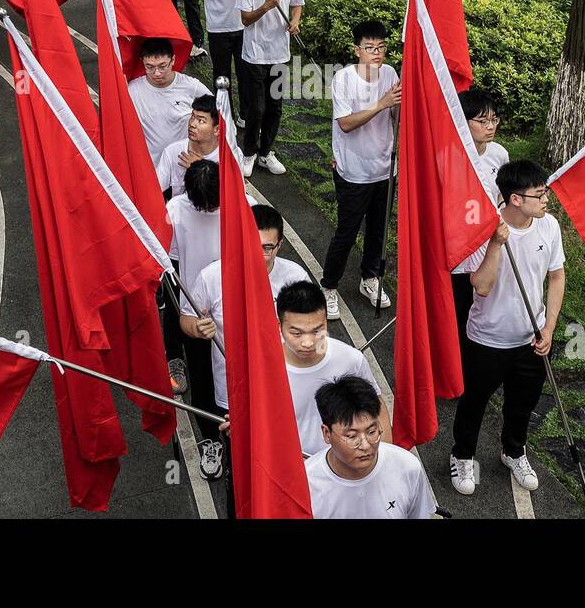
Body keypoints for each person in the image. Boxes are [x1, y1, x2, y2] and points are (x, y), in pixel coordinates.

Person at [449, 160, 564, 497]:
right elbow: (480, 287)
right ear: (515, 199)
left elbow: (556, 276)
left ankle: (514, 451)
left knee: (522, 404)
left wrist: (550, 327)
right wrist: (496, 245)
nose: (546, 200)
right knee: (474, 402)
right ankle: (462, 454)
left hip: (531, 340)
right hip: (487, 339)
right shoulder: (485, 227)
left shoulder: (549, 226)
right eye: (539, 194)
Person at [179, 204, 309, 480]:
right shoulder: (212, 277)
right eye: (252, 243)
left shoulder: (296, 277)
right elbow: (186, 320)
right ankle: (215, 445)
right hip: (231, 386)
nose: (258, 254)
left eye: (267, 247)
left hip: (283, 383)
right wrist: (198, 329)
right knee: (238, 463)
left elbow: (315, 330)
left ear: (279, 246)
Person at [319, 20, 400, 320]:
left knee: (378, 230)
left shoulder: (390, 74)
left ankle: (370, 278)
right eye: (370, 48)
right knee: (347, 231)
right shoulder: (343, 79)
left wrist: (396, 106)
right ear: (357, 50)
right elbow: (346, 124)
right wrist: (382, 104)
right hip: (354, 171)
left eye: (381, 47)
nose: (376, 53)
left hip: (384, 169)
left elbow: (396, 114)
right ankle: (329, 285)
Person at [277, 281, 389, 458]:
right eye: (297, 333)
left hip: (345, 465)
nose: (308, 342)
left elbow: (377, 408)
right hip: (291, 467)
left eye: (317, 331)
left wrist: (384, 458)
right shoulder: (263, 368)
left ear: (326, 322)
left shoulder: (351, 360)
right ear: (280, 326)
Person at [306, 376, 436, 519]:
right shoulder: (307, 483)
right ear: (326, 433)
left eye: (371, 432)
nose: (365, 445)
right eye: (351, 436)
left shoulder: (408, 467)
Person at [234, 0, 303, 178]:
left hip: (279, 54)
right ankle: (249, 152)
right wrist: (266, 6)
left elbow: (297, 4)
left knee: (275, 107)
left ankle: (266, 153)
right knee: (257, 108)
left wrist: (295, 22)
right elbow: (245, 19)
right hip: (254, 55)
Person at [451, 88, 510, 352]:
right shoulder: (451, 156)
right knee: (457, 305)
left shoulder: (499, 154)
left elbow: (500, 198)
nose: (490, 127)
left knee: (482, 303)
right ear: (464, 121)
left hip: (488, 243)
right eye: (482, 121)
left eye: (494, 119)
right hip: (458, 246)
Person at [127, 37, 210, 170]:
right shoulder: (132, 90)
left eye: (162, 66)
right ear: (142, 62)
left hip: (185, 168)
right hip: (150, 171)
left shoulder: (191, 87)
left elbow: (220, 118)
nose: (157, 73)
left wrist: (203, 157)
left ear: (173, 60)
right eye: (150, 67)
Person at [156, 94, 221, 198]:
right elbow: (155, 191)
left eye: (201, 121)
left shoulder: (231, 156)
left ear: (217, 129)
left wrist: (200, 169)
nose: (192, 124)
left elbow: (231, 196)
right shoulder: (172, 151)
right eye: (192, 116)